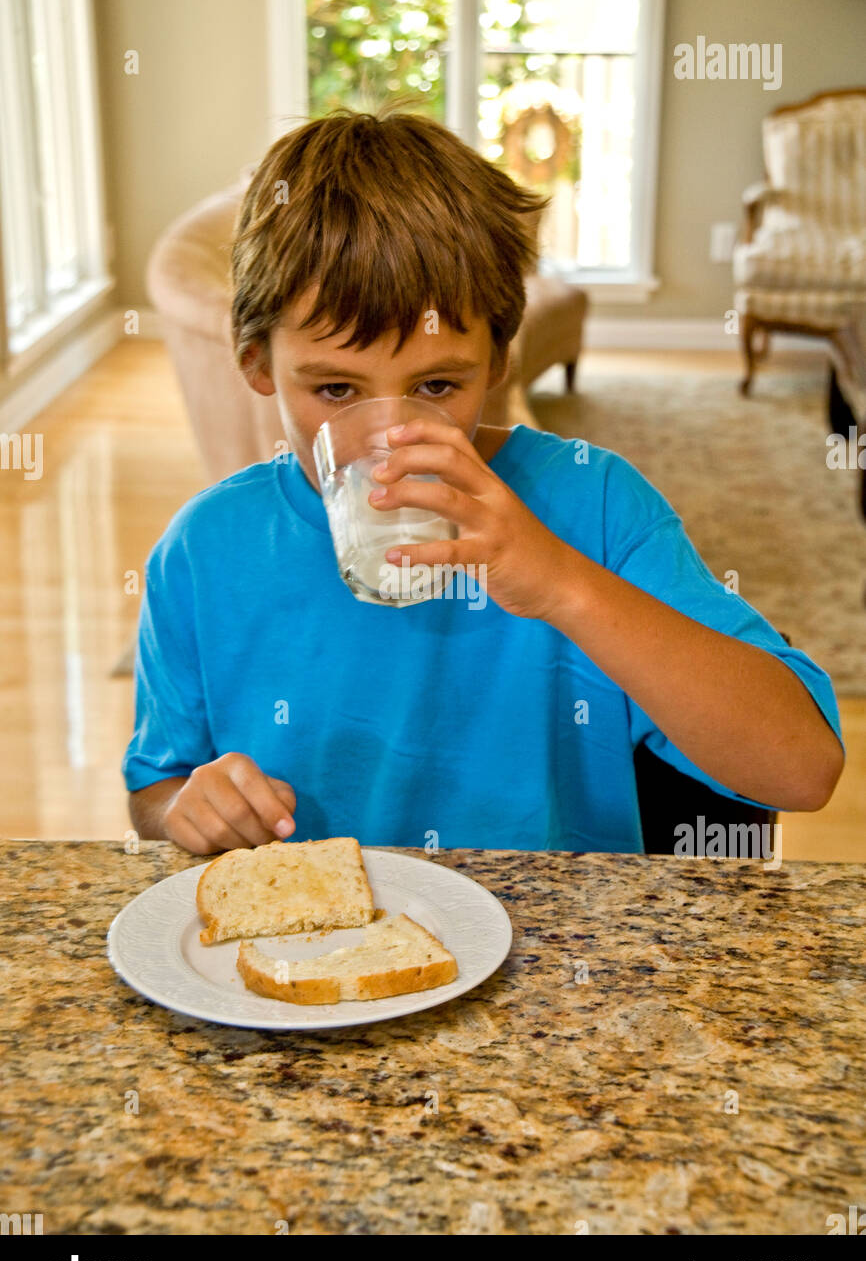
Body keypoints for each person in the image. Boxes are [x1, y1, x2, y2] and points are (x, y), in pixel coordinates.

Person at [123, 106, 844, 854]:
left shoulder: (593, 508)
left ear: (499, 361)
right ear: (255, 365)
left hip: (560, 955)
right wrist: (186, 807)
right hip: (313, 948)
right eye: (335, 390)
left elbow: (803, 770)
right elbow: (157, 789)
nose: (387, 441)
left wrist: (561, 582)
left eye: (437, 386)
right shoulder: (204, 552)